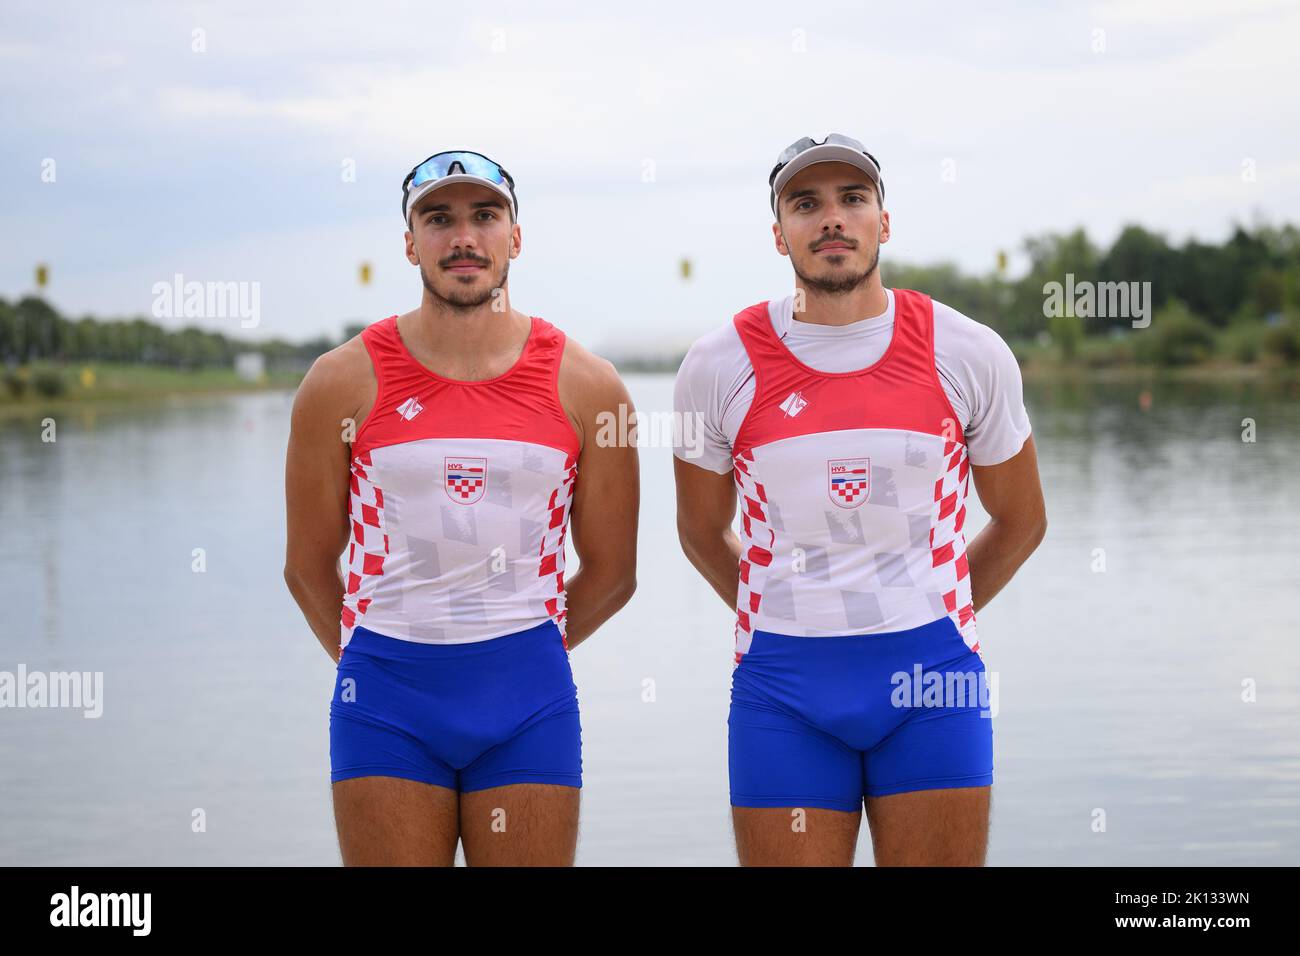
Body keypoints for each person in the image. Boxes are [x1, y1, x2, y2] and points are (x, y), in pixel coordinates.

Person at [673, 134, 1046, 866]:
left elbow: (1022, 519)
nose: (832, 219)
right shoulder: (716, 365)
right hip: (783, 691)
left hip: (933, 683)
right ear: (779, 232)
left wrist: (935, 611)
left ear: (884, 219)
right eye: (806, 204)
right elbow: (698, 532)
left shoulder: (967, 351)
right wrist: (784, 610)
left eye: (853, 199)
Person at [284, 149, 639, 866]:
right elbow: (306, 567)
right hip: (385, 702)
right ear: (410, 241)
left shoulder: (592, 387)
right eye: (438, 219)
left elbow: (614, 573)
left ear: (516, 236)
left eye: (485, 215)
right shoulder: (338, 381)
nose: (464, 238)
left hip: (528, 700)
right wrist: (369, 663)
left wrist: (522, 651)